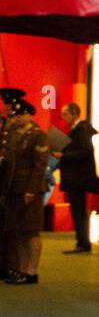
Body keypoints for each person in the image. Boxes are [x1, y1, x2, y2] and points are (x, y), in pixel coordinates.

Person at [2, 96, 49, 285]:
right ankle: (21, 269)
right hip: (14, 187)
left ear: (30, 115)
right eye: (16, 114)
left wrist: (32, 189)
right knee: (18, 231)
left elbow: (40, 166)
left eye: (21, 114)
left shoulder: (38, 135)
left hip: (31, 188)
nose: (18, 118)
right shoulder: (14, 134)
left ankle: (32, 271)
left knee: (31, 230)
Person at [57, 103, 97, 255]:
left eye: (65, 114)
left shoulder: (81, 130)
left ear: (74, 114)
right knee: (77, 211)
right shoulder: (79, 130)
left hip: (79, 178)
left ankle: (83, 243)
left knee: (79, 211)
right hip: (76, 177)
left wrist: (64, 156)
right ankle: (81, 241)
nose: (63, 118)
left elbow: (86, 151)